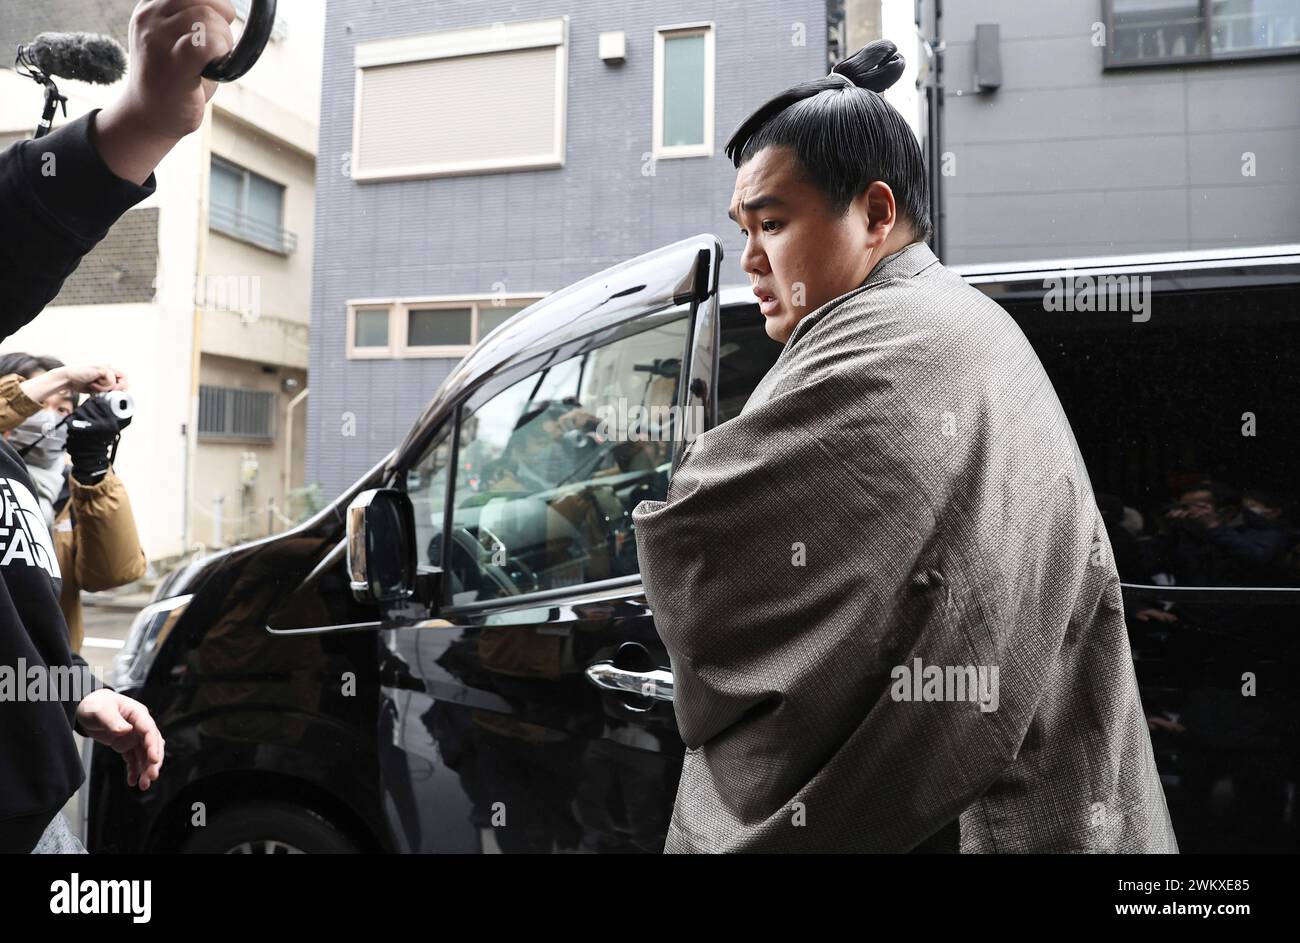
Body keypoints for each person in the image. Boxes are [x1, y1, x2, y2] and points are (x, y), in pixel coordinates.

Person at [632, 40, 1178, 852]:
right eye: (743, 229)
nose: (750, 260)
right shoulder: (966, 320)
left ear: (876, 213)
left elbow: (704, 552)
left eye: (774, 223)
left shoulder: (888, 344)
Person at [0, 0, 239, 853]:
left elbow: (111, 571)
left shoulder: (33, 476)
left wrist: (66, 688)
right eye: (41, 398)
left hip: (41, 798)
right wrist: (130, 124)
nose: (56, 411)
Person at [0, 353, 148, 654]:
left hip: (43, 677)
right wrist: (65, 377)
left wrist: (93, 471)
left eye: (62, 409)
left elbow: (112, 574)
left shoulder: (75, 494)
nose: (49, 418)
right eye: (39, 403)